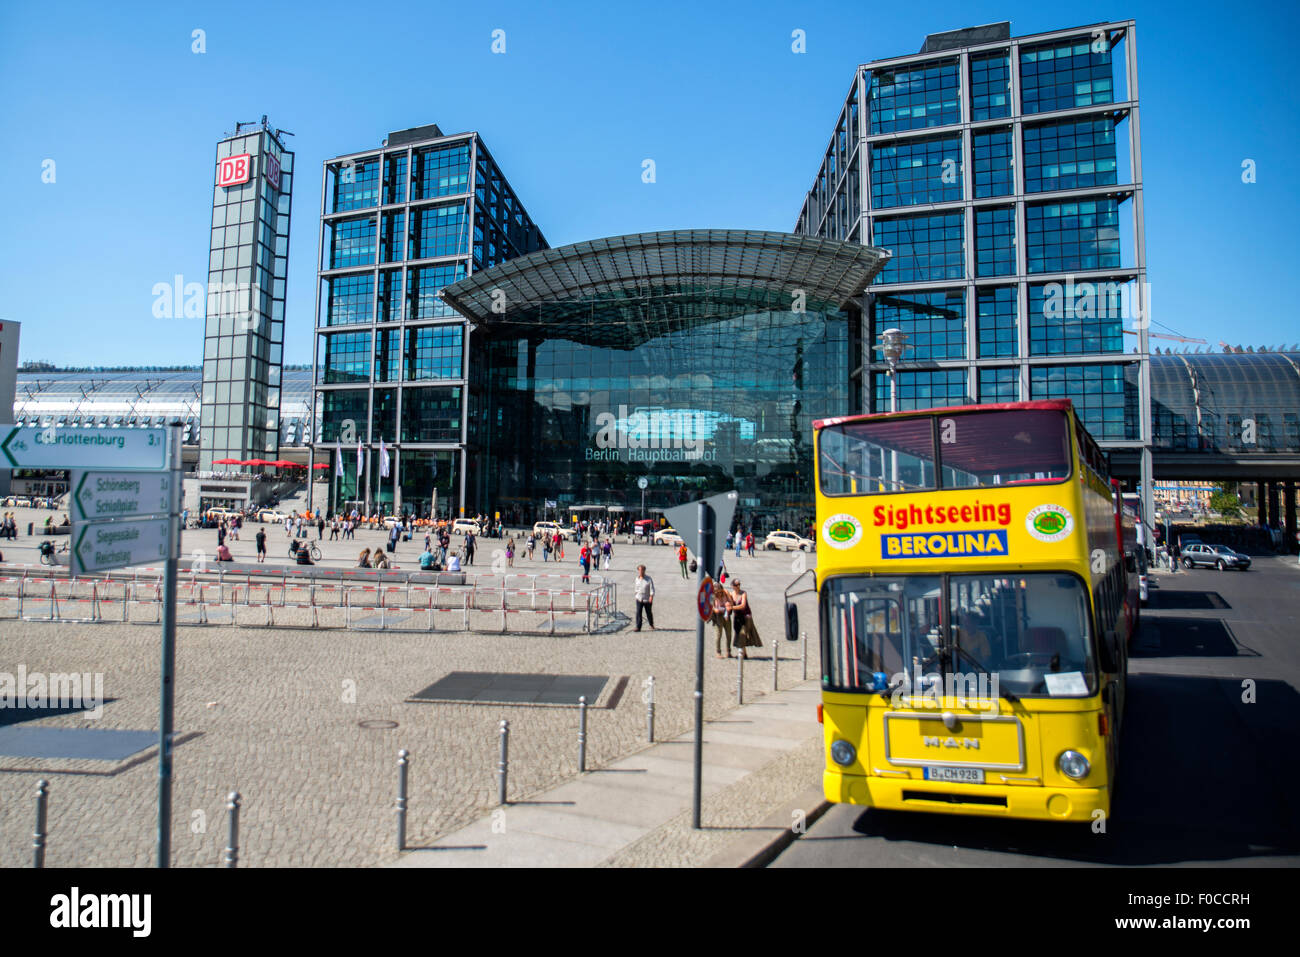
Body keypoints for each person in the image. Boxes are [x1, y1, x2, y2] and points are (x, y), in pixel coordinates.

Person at [728, 580, 762, 659]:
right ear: (732, 586)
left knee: (742, 634)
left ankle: (742, 654)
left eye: (739, 584)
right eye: (736, 585)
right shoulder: (731, 594)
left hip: (745, 617)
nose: (738, 586)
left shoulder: (743, 593)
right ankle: (744, 653)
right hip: (737, 617)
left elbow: (743, 605)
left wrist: (732, 607)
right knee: (739, 634)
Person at [711, 581, 733, 658]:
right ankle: (718, 651)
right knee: (718, 634)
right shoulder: (712, 596)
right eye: (718, 592)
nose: (719, 593)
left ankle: (728, 651)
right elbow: (711, 606)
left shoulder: (725, 592)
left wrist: (728, 605)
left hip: (726, 615)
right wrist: (715, 609)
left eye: (720, 591)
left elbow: (731, 602)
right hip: (717, 617)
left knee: (729, 633)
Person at [634, 564, 655, 632]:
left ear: (644, 571)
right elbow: (636, 588)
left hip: (647, 598)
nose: (641, 572)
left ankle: (651, 624)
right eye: (639, 570)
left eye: (642, 570)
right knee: (638, 612)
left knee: (648, 612)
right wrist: (636, 595)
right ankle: (638, 626)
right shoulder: (637, 579)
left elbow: (652, 588)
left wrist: (651, 596)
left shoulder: (648, 579)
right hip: (639, 598)